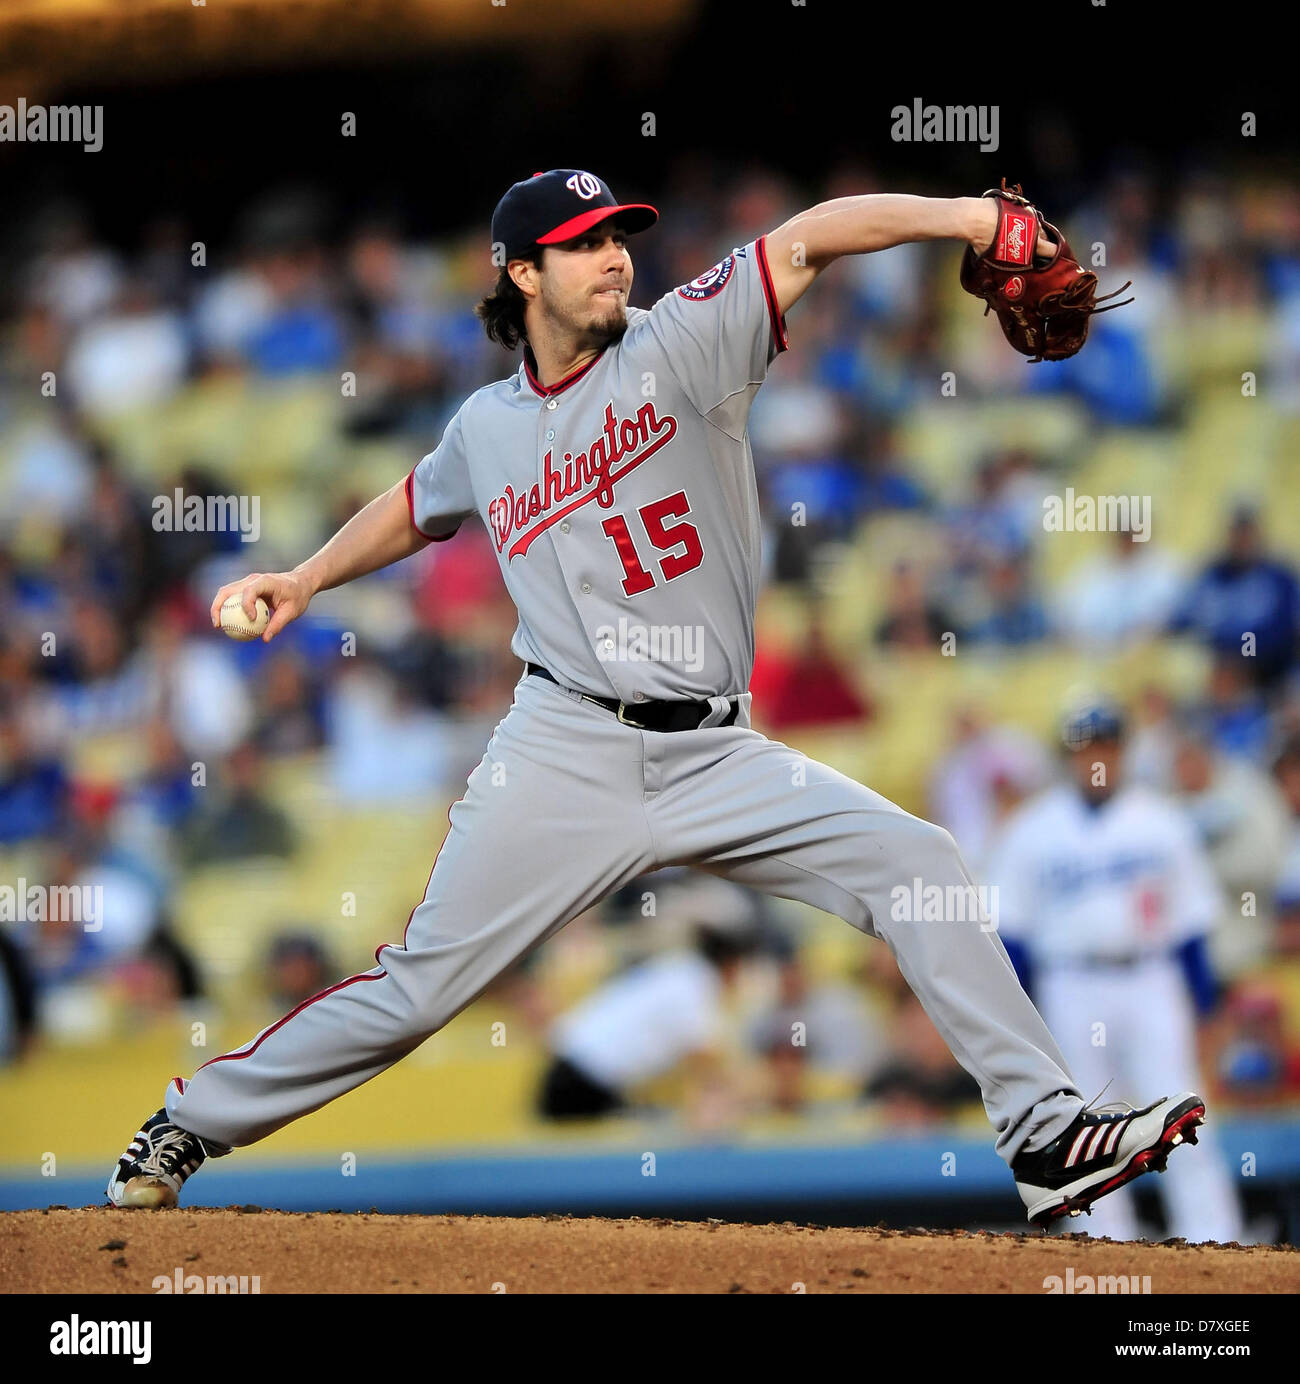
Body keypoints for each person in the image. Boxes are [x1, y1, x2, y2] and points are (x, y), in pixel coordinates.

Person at [108, 168, 1206, 1226]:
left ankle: (1043, 1133)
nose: (612, 258)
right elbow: (416, 501)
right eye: (582, 244)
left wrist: (968, 215)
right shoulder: (488, 426)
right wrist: (303, 577)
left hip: (718, 750)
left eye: (618, 236)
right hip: (564, 745)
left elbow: (814, 233)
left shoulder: (688, 340)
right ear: (520, 276)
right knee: (419, 991)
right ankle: (187, 1123)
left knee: (919, 865)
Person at [984, 700, 1244, 1242]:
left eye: (1106, 747)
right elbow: (1014, 938)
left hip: (1150, 978)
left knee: (1183, 1107)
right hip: (1069, 985)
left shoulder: (1162, 820)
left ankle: (1215, 1240)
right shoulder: (1032, 830)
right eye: (1085, 749)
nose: (1096, 759)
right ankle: (1102, 1248)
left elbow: (1192, 929)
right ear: (1068, 757)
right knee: (1083, 1122)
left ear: (1124, 752)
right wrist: (1021, 1022)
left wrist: (1207, 1007)